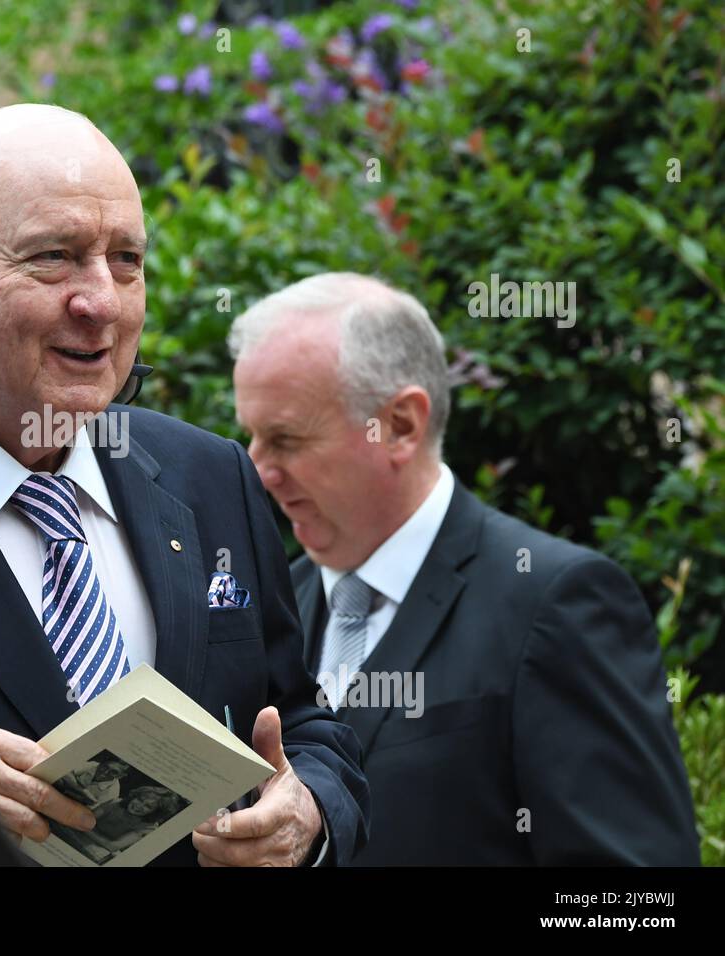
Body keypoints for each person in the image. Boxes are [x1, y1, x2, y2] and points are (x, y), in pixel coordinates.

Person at [0, 104, 369, 867]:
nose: (103, 302)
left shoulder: (209, 477)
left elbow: (303, 720)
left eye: (126, 260)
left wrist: (305, 811)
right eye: (53, 256)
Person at [229, 272, 700, 865]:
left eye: (286, 438)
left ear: (400, 425)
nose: (255, 470)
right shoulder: (272, 606)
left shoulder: (557, 604)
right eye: (250, 436)